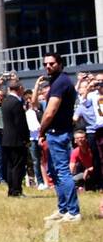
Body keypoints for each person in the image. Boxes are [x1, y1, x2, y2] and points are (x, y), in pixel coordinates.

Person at [42, 52, 81, 222]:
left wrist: (41, 130)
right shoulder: (57, 81)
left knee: (63, 172)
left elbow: (50, 112)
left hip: (58, 133)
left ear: (60, 63)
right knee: (54, 171)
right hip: (56, 133)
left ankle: (73, 212)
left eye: (51, 63)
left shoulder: (60, 82)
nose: (48, 66)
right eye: (45, 64)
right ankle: (63, 208)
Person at [0, 78, 29, 197]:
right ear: (20, 89)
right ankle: (17, 190)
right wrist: (26, 138)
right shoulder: (16, 103)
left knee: (10, 166)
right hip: (17, 139)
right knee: (18, 166)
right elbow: (20, 123)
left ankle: (11, 189)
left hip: (7, 138)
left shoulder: (6, 101)